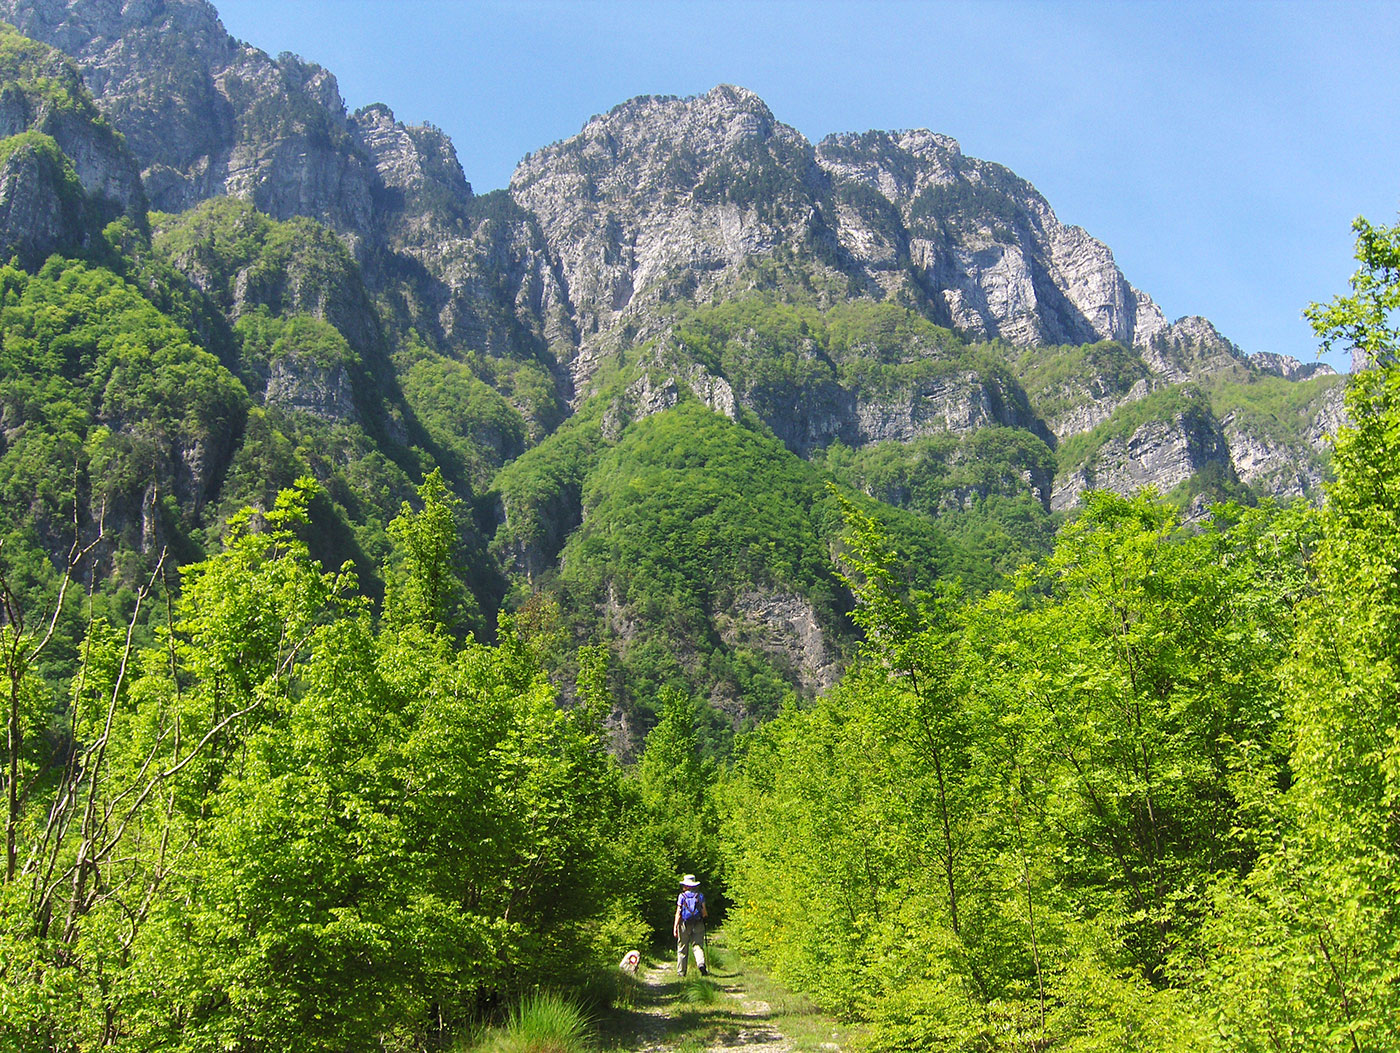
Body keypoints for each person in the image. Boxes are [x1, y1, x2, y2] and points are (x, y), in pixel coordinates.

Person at [673, 874, 709, 976]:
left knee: (682, 948)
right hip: (698, 923)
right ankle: (701, 963)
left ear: (686, 885)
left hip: (684, 924)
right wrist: (705, 917)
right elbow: (704, 911)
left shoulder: (682, 896)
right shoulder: (700, 896)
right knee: (698, 946)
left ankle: (681, 972)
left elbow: (678, 912)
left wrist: (675, 926)